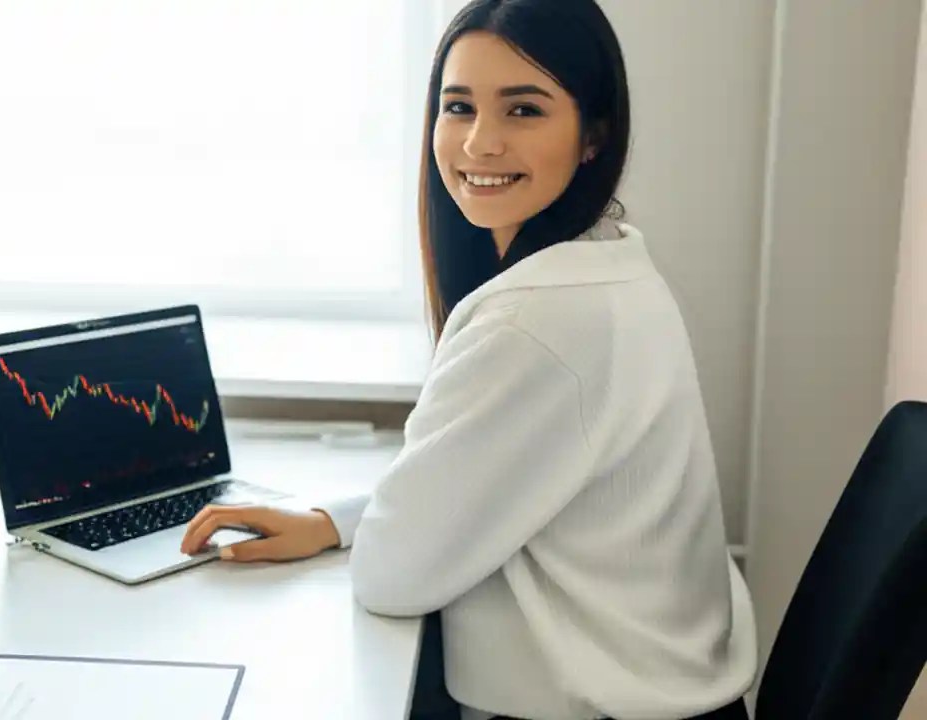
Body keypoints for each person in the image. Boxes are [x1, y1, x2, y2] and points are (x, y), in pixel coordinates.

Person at [180, 0, 757, 718]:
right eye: (458, 107)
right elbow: (463, 494)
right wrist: (337, 522)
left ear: (593, 135)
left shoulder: (540, 321)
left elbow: (392, 574)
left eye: (523, 110)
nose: (479, 143)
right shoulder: (605, 264)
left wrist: (366, 530)